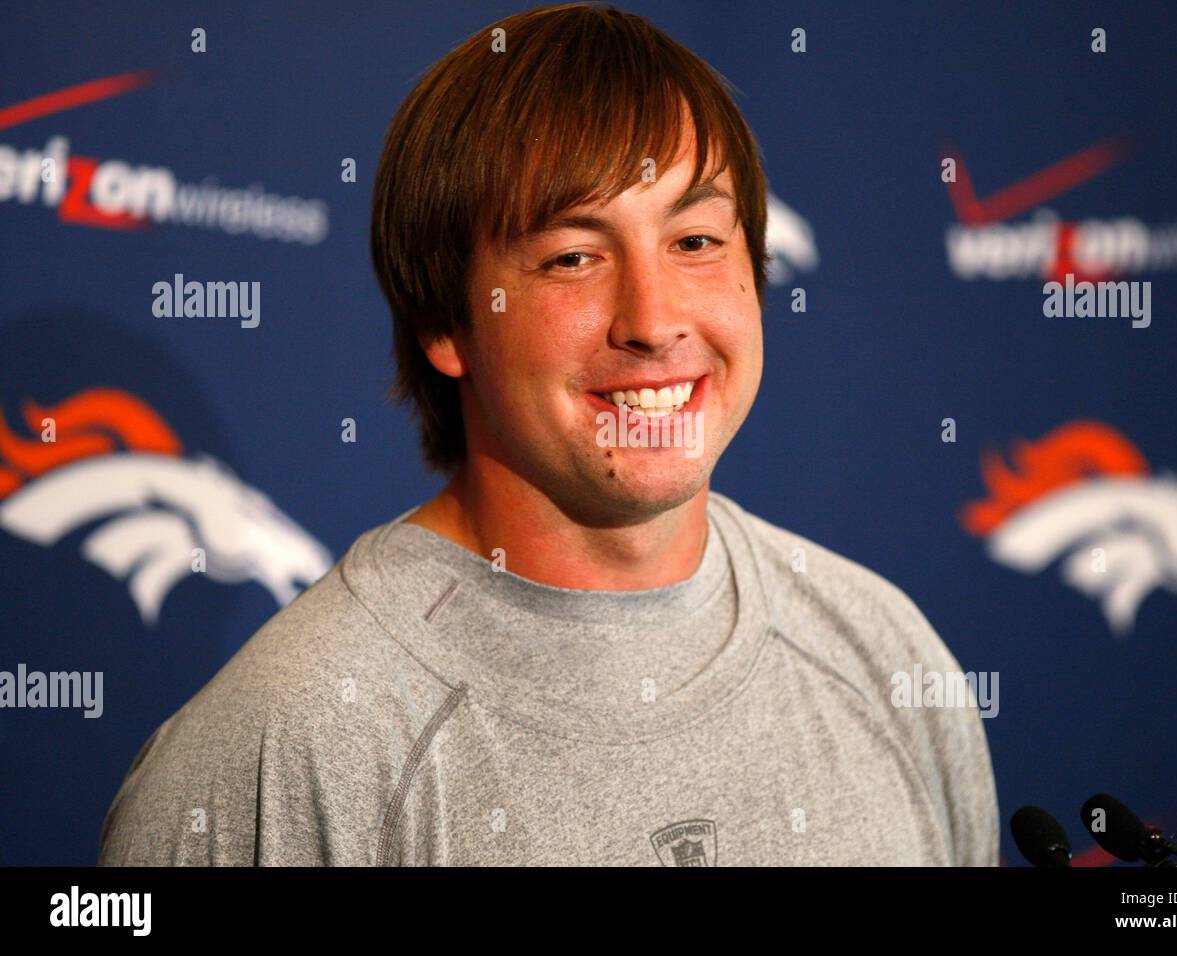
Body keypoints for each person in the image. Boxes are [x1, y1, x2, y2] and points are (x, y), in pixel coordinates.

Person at [98, 1, 999, 866]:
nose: (653, 320)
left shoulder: (886, 655)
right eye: (573, 258)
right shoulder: (278, 748)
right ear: (445, 324)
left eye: (695, 242)